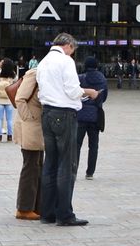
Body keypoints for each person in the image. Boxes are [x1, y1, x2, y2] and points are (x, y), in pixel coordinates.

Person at [36, 33, 99, 227]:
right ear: (69, 46)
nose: (73, 54)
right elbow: (72, 90)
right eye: (73, 50)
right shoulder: (65, 61)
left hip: (46, 113)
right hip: (64, 115)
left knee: (50, 164)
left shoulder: (43, 62)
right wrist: (88, 92)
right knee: (67, 164)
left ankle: (47, 212)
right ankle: (65, 214)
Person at [13, 63, 44, 220]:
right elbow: (20, 98)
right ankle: (24, 208)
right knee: (30, 167)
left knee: (38, 166)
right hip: (30, 127)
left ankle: (37, 206)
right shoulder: (34, 74)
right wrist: (28, 118)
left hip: (37, 127)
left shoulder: (45, 74)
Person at [76, 56, 108, 179]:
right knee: (93, 145)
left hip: (81, 115)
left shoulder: (80, 78)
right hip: (95, 116)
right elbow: (104, 97)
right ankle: (90, 172)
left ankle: (74, 170)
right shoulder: (102, 79)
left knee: (76, 145)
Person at [0, 61, 16, 142]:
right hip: (9, 99)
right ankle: (9, 136)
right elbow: (16, 80)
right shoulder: (12, 74)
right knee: (9, 119)